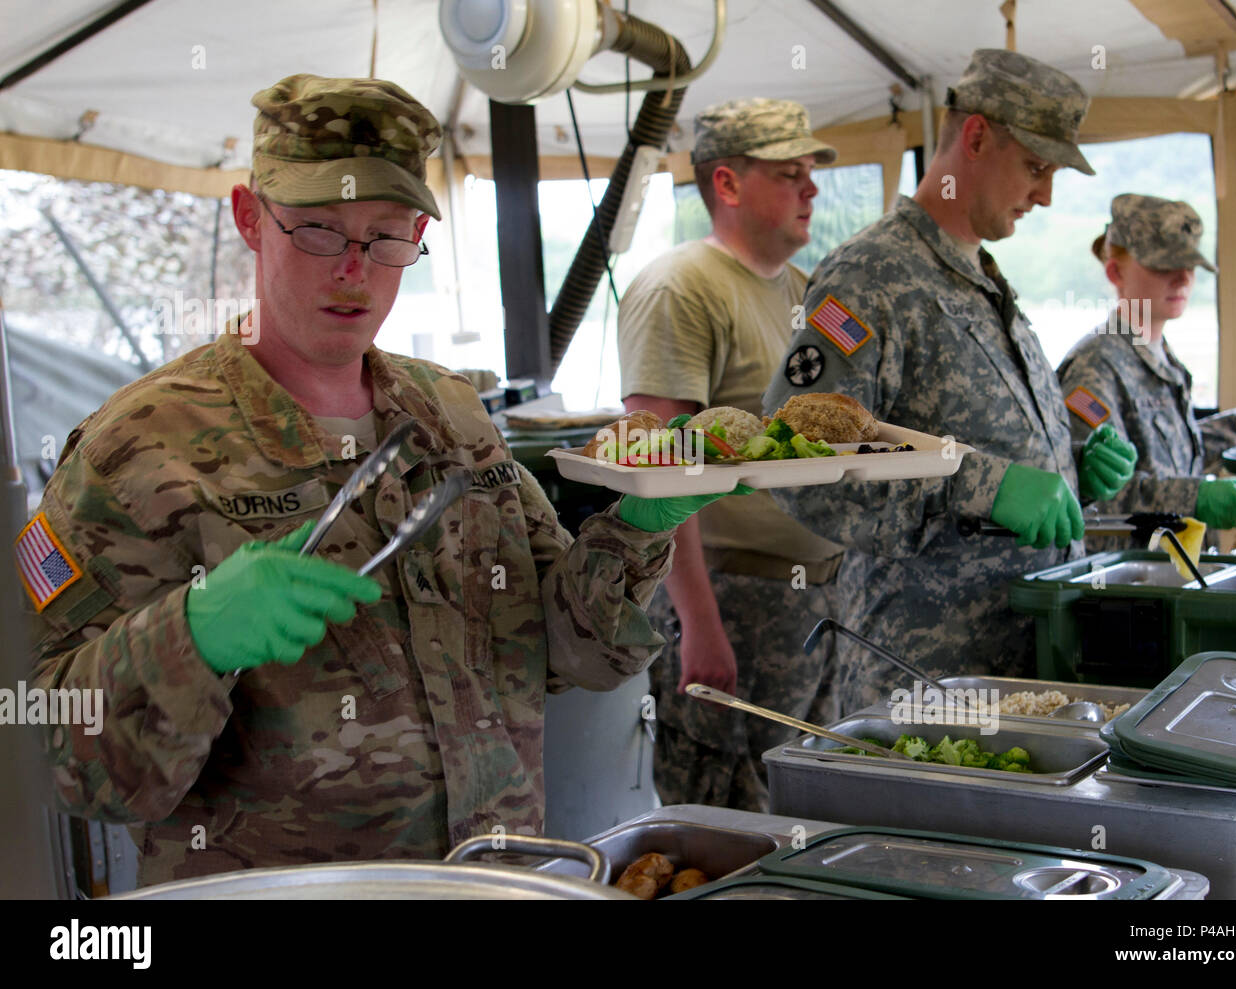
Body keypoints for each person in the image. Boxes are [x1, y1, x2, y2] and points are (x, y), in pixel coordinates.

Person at [16, 74, 734, 886]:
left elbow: (569, 654)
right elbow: (43, 744)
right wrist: (191, 638)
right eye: (319, 231)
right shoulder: (136, 451)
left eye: (388, 237)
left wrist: (636, 528)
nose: (354, 271)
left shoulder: (451, 418)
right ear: (251, 218)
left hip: (490, 884)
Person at [761, 50, 1132, 713]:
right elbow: (792, 456)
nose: (1045, 195)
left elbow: (956, 432)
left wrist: (1070, 468)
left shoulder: (983, 278)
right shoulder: (872, 275)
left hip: (1013, 669)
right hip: (921, 687)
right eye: (1037, 167)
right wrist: (988, 485)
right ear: (978, 136)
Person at [617, 99, 843, 811]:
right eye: (789, 173)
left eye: (811, 173)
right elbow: (658, 470)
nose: (810, 189)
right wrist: (700, 625)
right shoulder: (680, 288)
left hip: (819, 600)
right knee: (728, 824)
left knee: (807, 810)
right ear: (727, 184)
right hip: (732, 598)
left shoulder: (810, 294)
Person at [1056, 193, 1236, 545]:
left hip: (1175, 568)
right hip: (1126, 581)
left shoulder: (1159, 356)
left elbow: (1182, 449)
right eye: (1164, 265)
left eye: (1189, 264)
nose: (1183, 277)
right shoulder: (1095, 367)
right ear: (1115, 271)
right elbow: (1096, 497)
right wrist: (1196, 497)